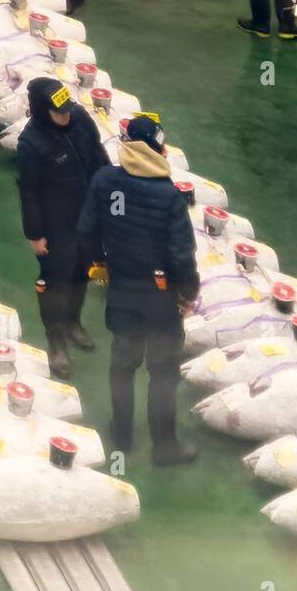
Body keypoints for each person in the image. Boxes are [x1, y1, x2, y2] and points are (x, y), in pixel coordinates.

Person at [77, 114, 200, 465]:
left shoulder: (105, 181)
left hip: (122, 289)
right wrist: (187, 294)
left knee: (122, 365)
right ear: (158, 150)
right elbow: (181, 254)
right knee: (162, 372)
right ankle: (164, 447)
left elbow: (85, 230)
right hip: (160, 299)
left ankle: (122, 434)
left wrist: (100, 263)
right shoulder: (169, 196)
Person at [16, 78, 110, 380]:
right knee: (55, 284)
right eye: (59, 113)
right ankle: (56, 341)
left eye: (68, 110)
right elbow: (28, 191)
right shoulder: (31, 142)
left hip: (89, 218)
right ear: (43, 111)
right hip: (57, 225)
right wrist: (35, 234)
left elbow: (98, 157)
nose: (66, 116)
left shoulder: (80, 118)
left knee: (83, 271)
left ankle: (73, 322)